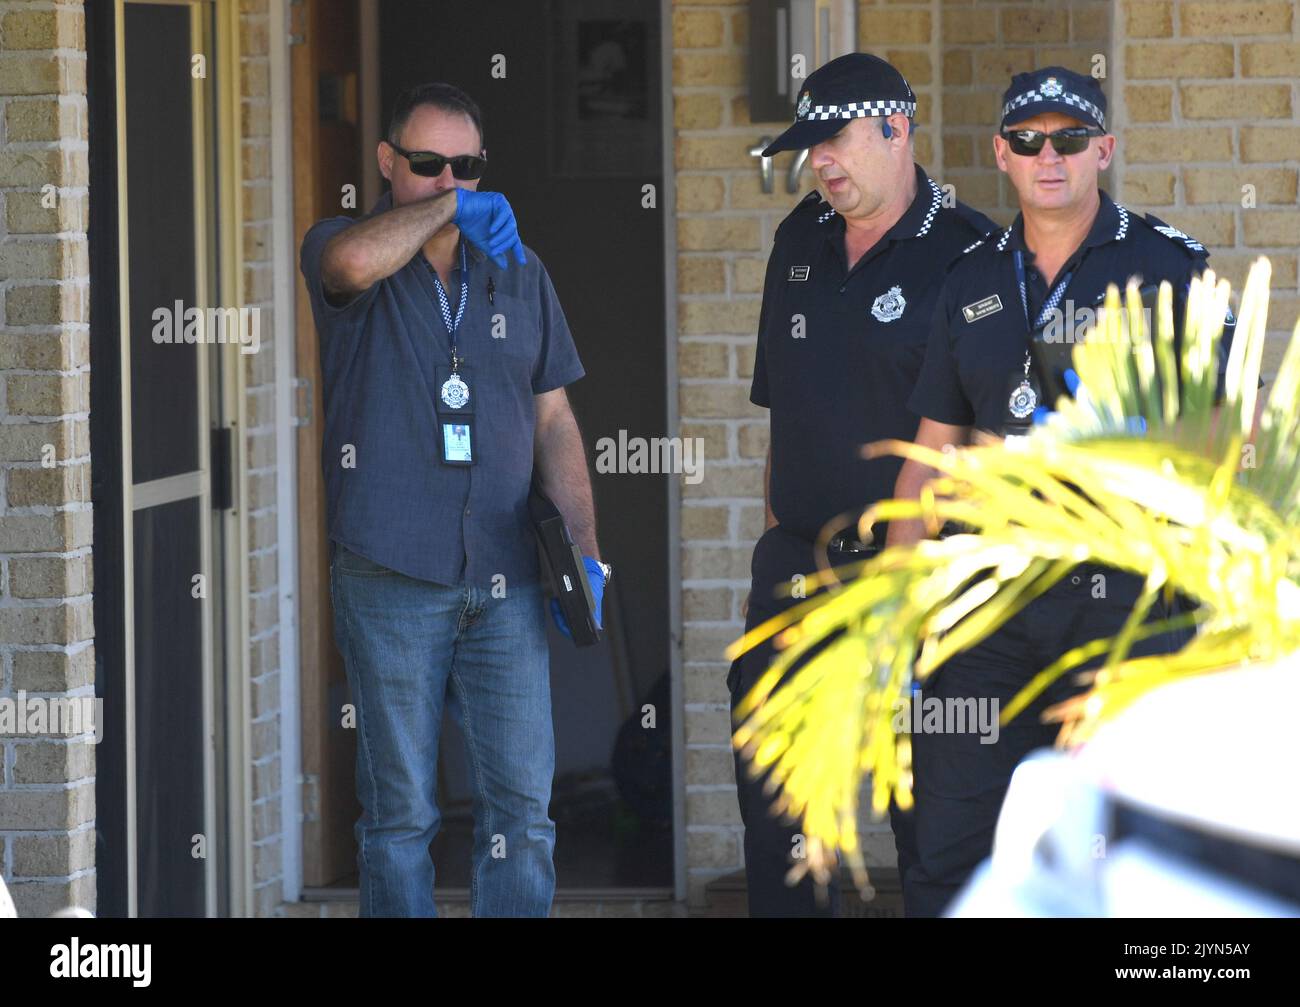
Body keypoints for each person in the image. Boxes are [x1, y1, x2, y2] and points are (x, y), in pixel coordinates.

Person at [890, 67, 1230, 917]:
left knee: (1133, 843)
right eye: (1030, 140)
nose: (1051, 156)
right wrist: (893, 613)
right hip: (989, 604)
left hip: (1126, 601)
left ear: (1103, 151)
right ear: (1001, 153)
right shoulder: (969, 280)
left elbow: (1227, 439)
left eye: (1071, 139)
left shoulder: (1170, 265)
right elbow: (932, 452)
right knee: (950, 835)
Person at [299, 82, 610, 918]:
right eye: (428, 164)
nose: (448, 182)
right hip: (392, 569)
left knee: (524, 814)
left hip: (508, 570)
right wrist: (444, 213)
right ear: (387, 162)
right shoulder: (344, 242)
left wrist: (582, 550)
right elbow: (350, 266)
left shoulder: (519, 268)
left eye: (465, 167)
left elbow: (555, 419)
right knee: (399, 816)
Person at [730, 53, 998, 917]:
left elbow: (986, 440)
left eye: (837, 142)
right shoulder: (797, 239)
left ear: (897, 130)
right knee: (781, 819)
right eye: (811, 148)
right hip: (802, 568)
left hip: (928, 583)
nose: (823, 165)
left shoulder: (972, 254)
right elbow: (783, 407)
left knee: (936, 825)